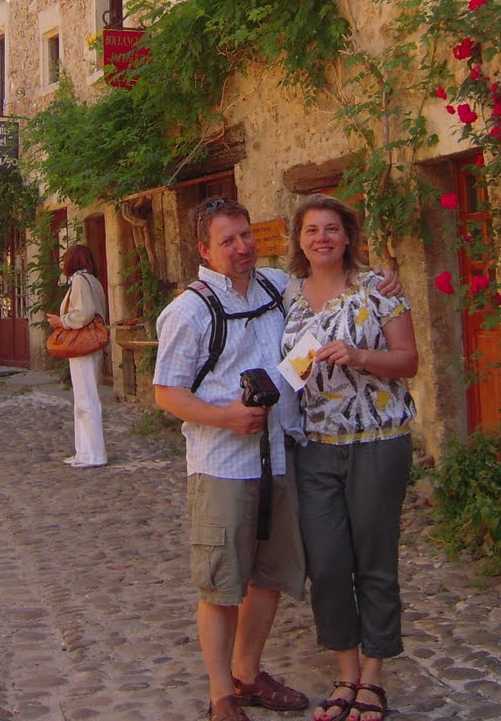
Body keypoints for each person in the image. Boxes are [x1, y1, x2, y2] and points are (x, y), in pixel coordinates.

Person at [152, 197, 311, 721]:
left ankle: (247, 673)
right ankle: (221, 694)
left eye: (246, 235)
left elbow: (330, 301)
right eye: (228, 240)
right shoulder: (188, 311)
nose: (243, 247)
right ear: (205, 249)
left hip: (281, 456)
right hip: (223, 464)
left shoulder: (276, 286)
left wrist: (383, 288)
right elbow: (166, 392)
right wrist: (226, 417)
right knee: (220, 583)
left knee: (268, 576)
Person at [281, 196, 418, 721]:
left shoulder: (378, 288)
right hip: (314, 447)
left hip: (377, 442)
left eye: (331, 229)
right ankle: (345, 671)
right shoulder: (287, 297)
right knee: (329, 563)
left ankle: (374, 676)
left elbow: (408, 360)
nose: (322, 238)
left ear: (347, 235)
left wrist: (359, 356)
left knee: (375, 560)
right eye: (312, 230)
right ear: (299, 239)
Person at [48, 244, 107, 468]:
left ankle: (93, 453)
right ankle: (84, 451)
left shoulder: (81, 281)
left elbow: (84, 313)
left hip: (83, 344)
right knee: (84, 398)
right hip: (89, 345)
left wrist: (61, 321)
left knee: (86, 399)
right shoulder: (92, 280)